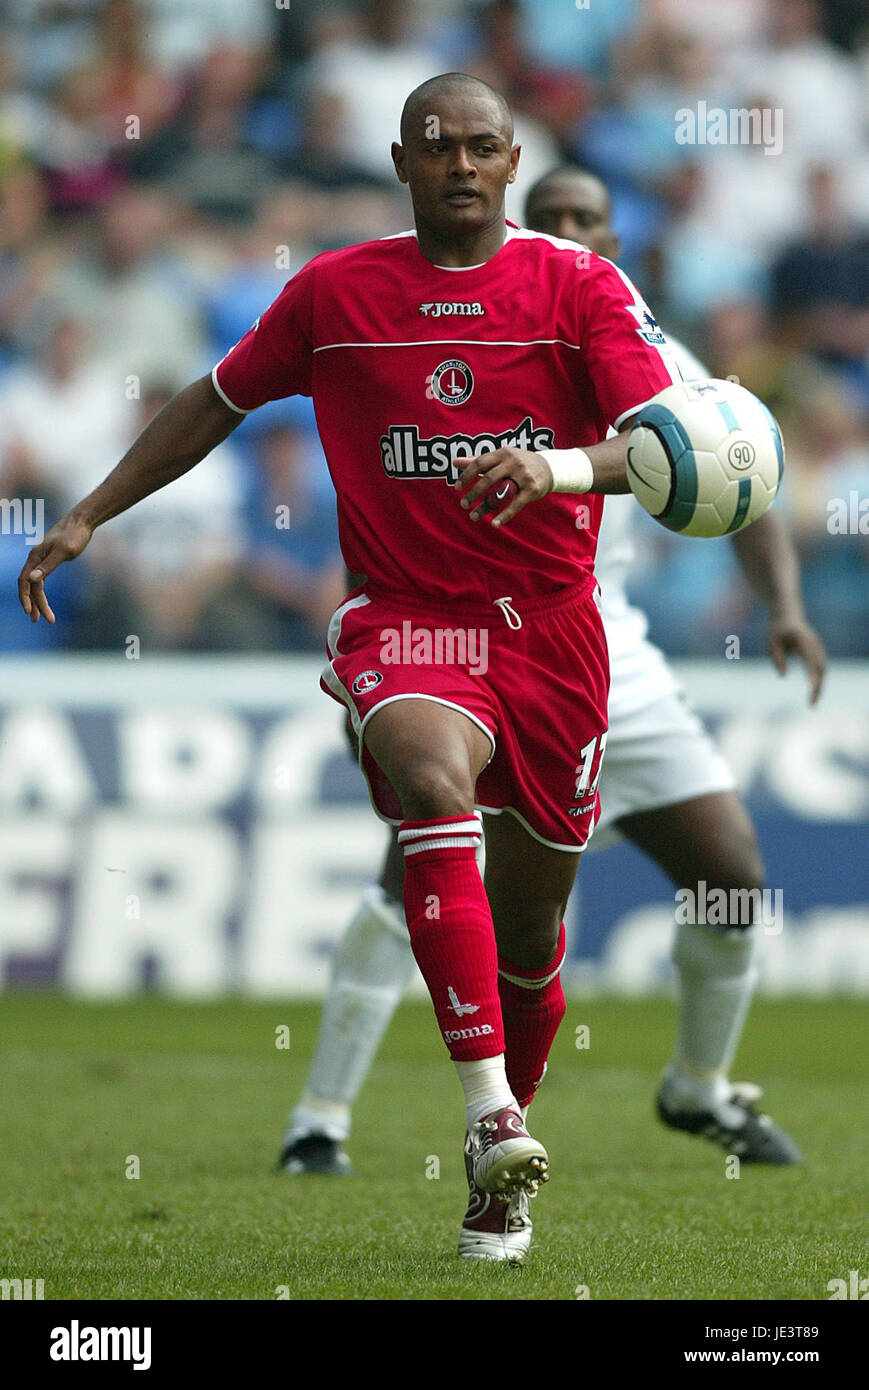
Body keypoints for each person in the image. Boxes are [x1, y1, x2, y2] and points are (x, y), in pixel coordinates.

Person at [18, 75, 685, 1262]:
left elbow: (661, 446)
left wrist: (560, 470)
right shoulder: (334, 293)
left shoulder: (577, 286)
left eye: (483, 146)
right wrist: (89, 514)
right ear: (399, 160)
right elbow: (213, 399)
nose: (462, 165)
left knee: (533, 942)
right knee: (429, 782)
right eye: (439, 147)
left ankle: (500, 1173)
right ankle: (487, 1116)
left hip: (550, 631)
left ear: (514, 158)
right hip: (405, 621)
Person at [279, 167, 827, 1235]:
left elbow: (744, 476)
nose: (566, 232)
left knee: (726, 875)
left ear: (610, 242)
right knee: (415, 871)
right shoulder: (483, 321)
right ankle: (321, 1116)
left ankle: (696, 1088)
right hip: (464, 646)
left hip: (607, 656)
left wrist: (785, 607)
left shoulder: (653, 362)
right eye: (557, 216)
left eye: (587, 223)